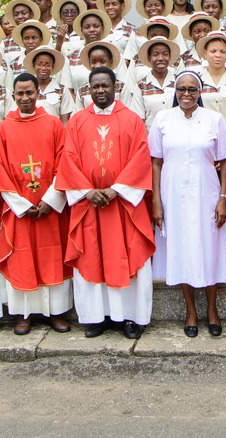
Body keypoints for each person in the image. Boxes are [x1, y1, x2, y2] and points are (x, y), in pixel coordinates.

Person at [57, 67, 155, 339]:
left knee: (127, 256)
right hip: (89, 205)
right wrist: (87, 191)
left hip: (122, 206)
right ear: (88, 90)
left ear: (115, 87)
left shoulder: (132, 120)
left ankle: (130, 317)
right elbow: (68, 158)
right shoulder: (77, 121)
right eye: (95, 86)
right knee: (92, 257)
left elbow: (140, 157)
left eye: (105, 85)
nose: (100, 91)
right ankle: (96, 317)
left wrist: (117, 190)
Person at [0, 73, 72, 335]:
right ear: (13, 96)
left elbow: (65, 163)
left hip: (49, 206)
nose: (25, 98)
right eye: (20, 94)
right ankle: (23, 314)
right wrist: (21, 204)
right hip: (19, 208)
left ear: (38, 94)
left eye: (29, 93)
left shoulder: (54, 124)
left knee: (51, 256)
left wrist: (50, 200)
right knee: (22, 257)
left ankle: (56, 312)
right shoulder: (3, 128)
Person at [149, 71, 226, 338]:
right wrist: (157, 201)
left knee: (208, 250)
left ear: (201, 92)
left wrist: (223, 198)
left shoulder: (214, 119)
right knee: (182, 250)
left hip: (206, 194)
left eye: (192, 89)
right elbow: (156, 161)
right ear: (175, 91)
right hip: (172, 196)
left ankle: (211, 308)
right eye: (182, 89)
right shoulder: (163, 119)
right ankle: (190, 311)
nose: (186, 94)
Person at [133, 37, 180, 127]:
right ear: (149, 58)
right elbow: (139, 120)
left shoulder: (179, 83)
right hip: (150, 138)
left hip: (176, 137)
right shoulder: (141, 86)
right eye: (155, 54)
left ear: (169, 57)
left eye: (165, 54)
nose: (161, 58)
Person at [23, 47, 68, 120]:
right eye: (39, 64)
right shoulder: (27, 88)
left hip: (55, 130)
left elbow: (64, 120)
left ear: (52, 66)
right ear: (33, 65)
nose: (43, 68)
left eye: (47, 65)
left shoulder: (62, 90)